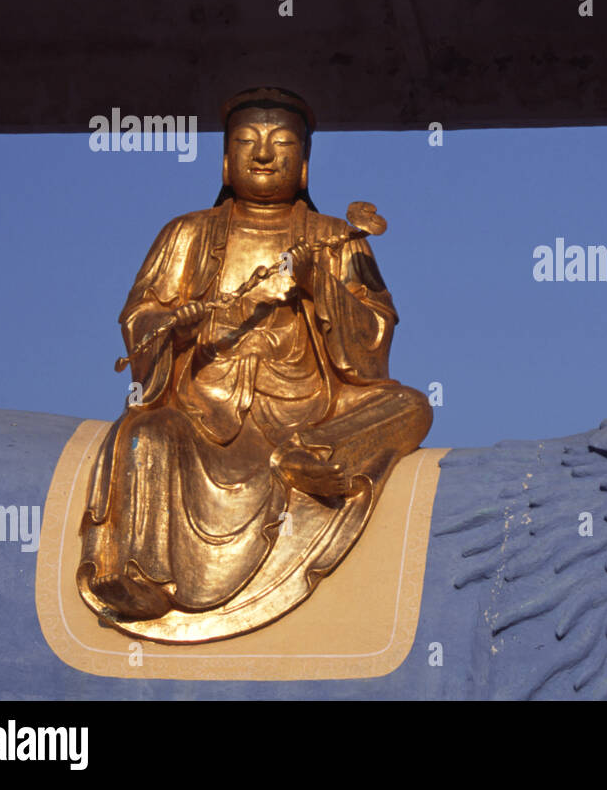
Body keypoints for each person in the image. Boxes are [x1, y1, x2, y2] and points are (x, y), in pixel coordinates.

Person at [79, 87, 431, 623]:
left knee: (410, 406)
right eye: (247, 142)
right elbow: (140, 317)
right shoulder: (187, 234)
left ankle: (307, 457)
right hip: (204, 412)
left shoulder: (336, 238)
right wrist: (177, 328)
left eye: (281, 143)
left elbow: (374, 343)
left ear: (305, 165)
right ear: (225, 160)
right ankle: (143, 578)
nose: (263, 154)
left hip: (311, 414)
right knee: (146, 435)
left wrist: (322, 287)